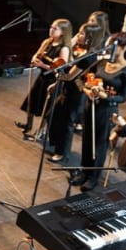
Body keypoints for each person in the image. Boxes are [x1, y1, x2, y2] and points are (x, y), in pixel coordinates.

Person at [70, 32, 126, 191]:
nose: (109, 49)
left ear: (124, 47)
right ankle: (84, 171)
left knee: (99, 144)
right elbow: (79, 79)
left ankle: (93, 177)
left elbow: (123, 97)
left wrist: (105, 96)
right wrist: (87, 91)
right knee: (87, 140)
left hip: (106, 110)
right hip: (90, 104)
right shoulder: (101, 62)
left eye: (114, 46)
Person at [47, 15, 106, 163]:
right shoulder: (81, 52)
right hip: (67, 90)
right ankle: (56, 144)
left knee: (66, 123)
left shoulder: (88, 57)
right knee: (52, 115)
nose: (77, 36)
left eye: (81, 34)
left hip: (76, 93)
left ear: (89, 38)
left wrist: (58, 71)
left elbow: (70, 76)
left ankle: (62, 153)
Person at [16, 19, 73, 139]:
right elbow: (37, 54)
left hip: (52, 80)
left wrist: (42, 65)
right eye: (51, 27)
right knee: (31, 101)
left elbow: (60, 69)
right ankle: (28, 125)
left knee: (45, 107)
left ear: (63, 32)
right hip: (42, 77)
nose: (51, 30)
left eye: (55, 28)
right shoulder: (47, 42)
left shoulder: (64, 49)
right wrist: (34, 59)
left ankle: (41, 131)